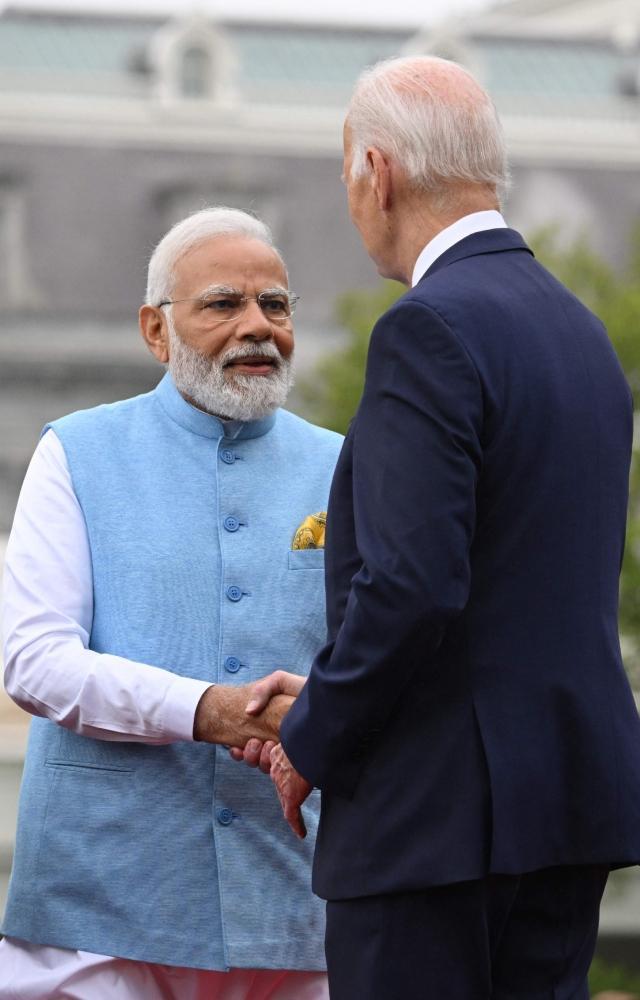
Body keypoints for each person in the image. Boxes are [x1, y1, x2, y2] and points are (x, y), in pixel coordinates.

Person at [247, 55, 640, 998]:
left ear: (375, 173)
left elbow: (415, 586)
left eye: (348, 175)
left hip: (435, 826)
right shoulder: (583, 333)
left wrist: (314, 735)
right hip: (563, 809)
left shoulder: (427, 329)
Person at [0, 207, 341, 999]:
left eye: (277, 305)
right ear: (157, 331)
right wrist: (209, 710)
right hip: (100, 899)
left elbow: (391, 656)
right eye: (224, 303)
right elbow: (34, 660)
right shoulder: (76, 451)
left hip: (294, 898)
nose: (258, 326)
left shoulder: (349, 465)